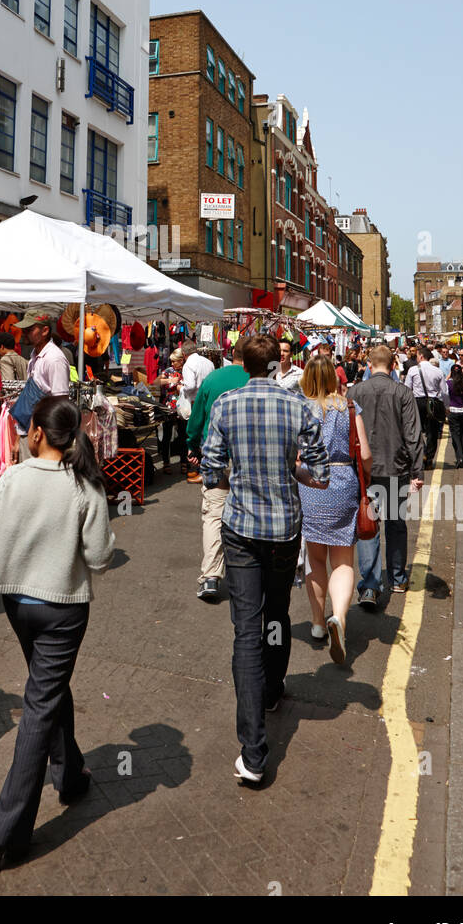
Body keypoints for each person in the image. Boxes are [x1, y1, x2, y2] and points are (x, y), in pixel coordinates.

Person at [0, 397, 114, 871]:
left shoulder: (13, 479)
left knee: (47, 690)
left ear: (38, 434)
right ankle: (9, 831)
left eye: (26, 429)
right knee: (41, 704)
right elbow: (101, 558)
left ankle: (69, 777)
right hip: (63, 610)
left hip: (17, 607)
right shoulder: (85, 486)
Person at [200, 335, 330, 786]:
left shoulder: (226, 404)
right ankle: (272, 691)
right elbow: (320, 473)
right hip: (283, 530)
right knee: (276, 614)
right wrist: (288, 470)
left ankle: (253, 751)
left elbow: (211, 470)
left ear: (241, 362)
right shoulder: (298, 407)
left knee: (245, 630)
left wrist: (239, 472)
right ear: (277, 364)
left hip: (240, 530)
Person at [299, 357, 372, 665]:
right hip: (343, 484)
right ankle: (339, 618)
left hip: (310, 485)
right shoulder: (349, 408)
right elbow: (365, 455)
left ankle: (317, 623)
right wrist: (364, 476)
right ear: (334, 377)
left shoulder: (300, 408)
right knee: (342, 561)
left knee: (315, 559)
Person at [350, 344, 424, 606]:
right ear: (393, 365)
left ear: (369, 365)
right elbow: (413, 435)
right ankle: (397, 577)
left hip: (364, 471)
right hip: (397, 468)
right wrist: (418, 471)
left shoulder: (354, 392)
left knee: (368, 528)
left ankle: (369, 586)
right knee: (396, 524)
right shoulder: (403, 393)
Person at [185, 339, 249, 602]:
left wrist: (192, 446)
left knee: (213, 515)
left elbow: (196, 418)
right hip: (248, 459)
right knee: (246, 513)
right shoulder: (255, 380)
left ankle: (211, 576)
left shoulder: (212, 379)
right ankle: (244, 574)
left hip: (215, 457)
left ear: (232, 354)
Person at [11, 310, 71, 462]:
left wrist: (51, 443)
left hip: (44, 438)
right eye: (24, 329)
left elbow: (60, 403)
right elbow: (28, 401)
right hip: (31, 432)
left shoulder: (54, 359)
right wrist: (19, 439)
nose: (24, 333)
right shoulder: (34, 357)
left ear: (45, 331)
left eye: (30, 329)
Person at [405, 345, 449, 470]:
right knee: (432, 432)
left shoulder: (413, 370)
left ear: (421, 356)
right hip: (433, 402)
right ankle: (429, 459)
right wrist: (446, 406)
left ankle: (422, 451)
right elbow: (444, 392)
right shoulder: (438, 371)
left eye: (418, 356)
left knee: (416, 429)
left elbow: (407, 389)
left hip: (417, 402)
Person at [180, 343, 215, 481]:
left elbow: (190, 386)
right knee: (206, 434)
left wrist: (180, 388)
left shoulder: (188, 364)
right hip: (209, 400)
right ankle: (202, 468)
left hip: (196, 402)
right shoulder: (208, 362)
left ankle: (201, 470)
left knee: (196, 434)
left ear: (184, 354)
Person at [157, 349, 187, 474]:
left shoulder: (187, 370)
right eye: (172, 361)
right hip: (169, 406)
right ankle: (166, 462)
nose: (173, 364)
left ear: (181, 360)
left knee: (183, 435)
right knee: (167, 435)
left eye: (175, 361)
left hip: (182, 406)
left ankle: (184, 462)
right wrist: (170, 381)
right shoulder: (168, 371)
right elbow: (156, 381)